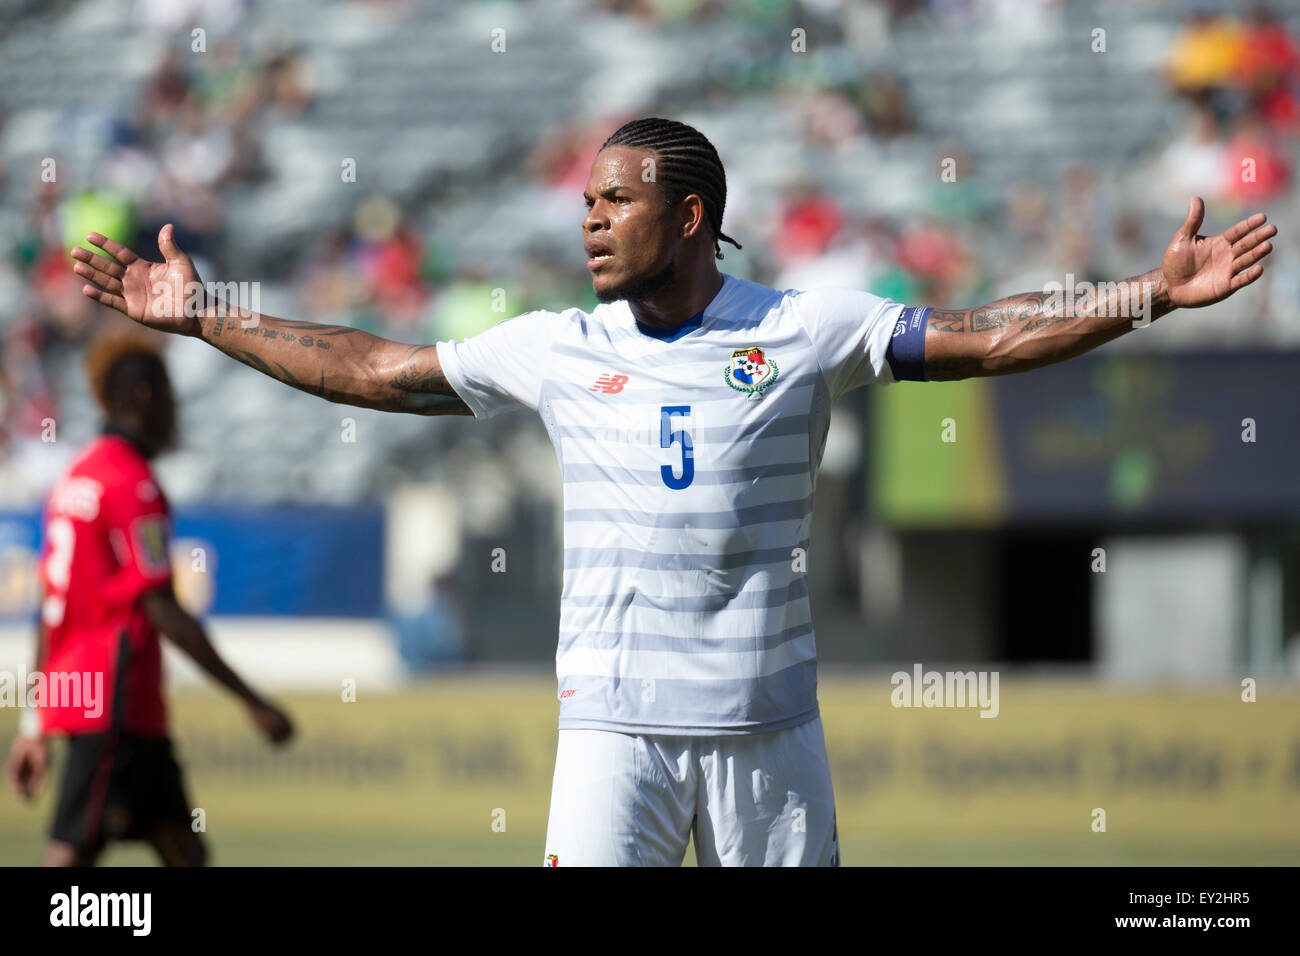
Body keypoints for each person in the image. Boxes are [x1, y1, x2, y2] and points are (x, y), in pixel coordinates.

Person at [67, 117, 1276, 866]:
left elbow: (982, 335)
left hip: (769, 738)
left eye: (618, 199)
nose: (590, 218)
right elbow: (373, 368)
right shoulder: (553, 343)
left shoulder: (807, 326)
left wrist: (1144, 295)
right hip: (612, 741)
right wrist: (210, 313)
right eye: (587, 199)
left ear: (689, 214)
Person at [3, 332, 294, 866]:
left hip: (95, 698)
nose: (175, 414)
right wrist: (250, 698)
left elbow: (51, 608)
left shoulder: (75, 478)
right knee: (70, 854)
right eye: (169, 398)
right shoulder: (132, 484)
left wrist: (33, 722)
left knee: (185, 852)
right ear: (143, 397)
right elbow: (162, 607)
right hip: (113, 698)